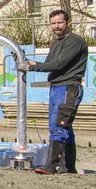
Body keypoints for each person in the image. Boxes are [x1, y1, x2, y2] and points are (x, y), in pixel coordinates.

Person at [19, 9, 89, 175]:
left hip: (68, 87)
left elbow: (59, 64)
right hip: (57, 86)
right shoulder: (56, 43)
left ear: (68, 23)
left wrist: (33, 66)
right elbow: (50, 63)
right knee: (65, 128)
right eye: (53, 23)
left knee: (59, 126)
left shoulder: (75, 41)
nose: (56, 26)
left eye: (60, 23)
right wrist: (34, 63)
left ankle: (51, 165)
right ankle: (68, 167)